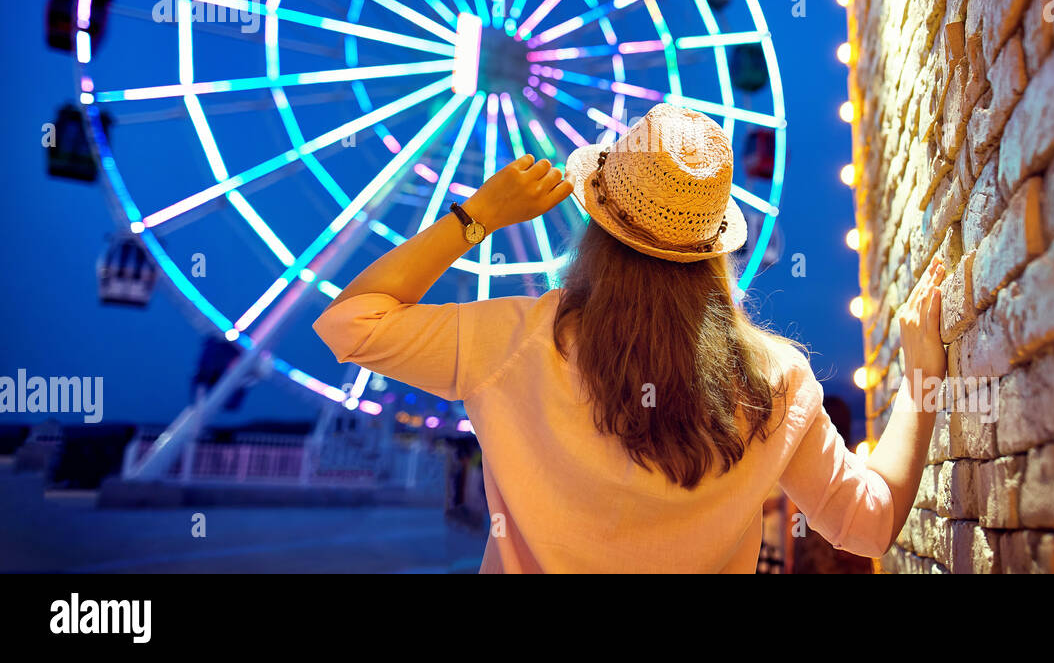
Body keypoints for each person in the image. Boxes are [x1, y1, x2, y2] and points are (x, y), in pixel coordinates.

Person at [313, 103, 946, 573]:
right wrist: (922, 382)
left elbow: (351, 323)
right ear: (715, 248)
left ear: (597, 226)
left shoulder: (513, 340)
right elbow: (870, 524)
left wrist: (478, 216)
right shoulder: (776, 381)